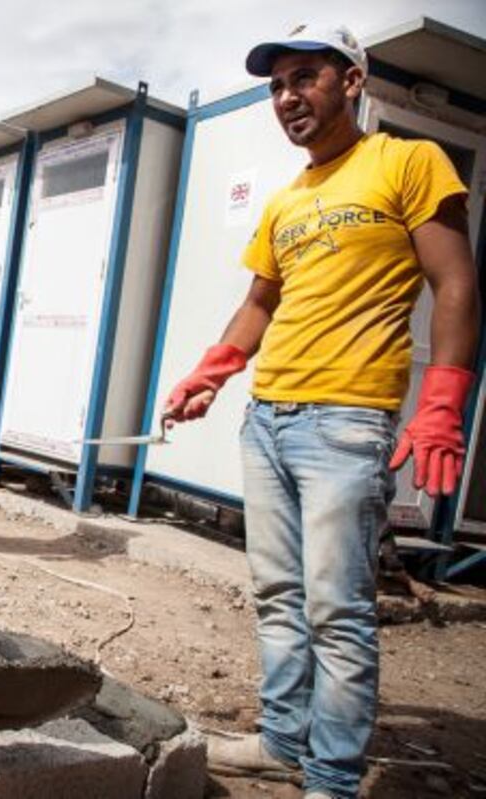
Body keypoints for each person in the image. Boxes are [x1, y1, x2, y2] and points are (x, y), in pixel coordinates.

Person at [164, 25, 479, 799]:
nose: (287, 97)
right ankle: (281, 742)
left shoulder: (407, 162)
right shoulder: (287, 201)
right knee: (277, 595)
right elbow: (259, 303)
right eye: (277, 85)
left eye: (305, 78)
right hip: (268, 417)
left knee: (336, 610)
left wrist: (442, 400)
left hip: (347, 421)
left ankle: (332, 779)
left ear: (353, 82)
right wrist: (210, 372)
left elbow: (458, 284)